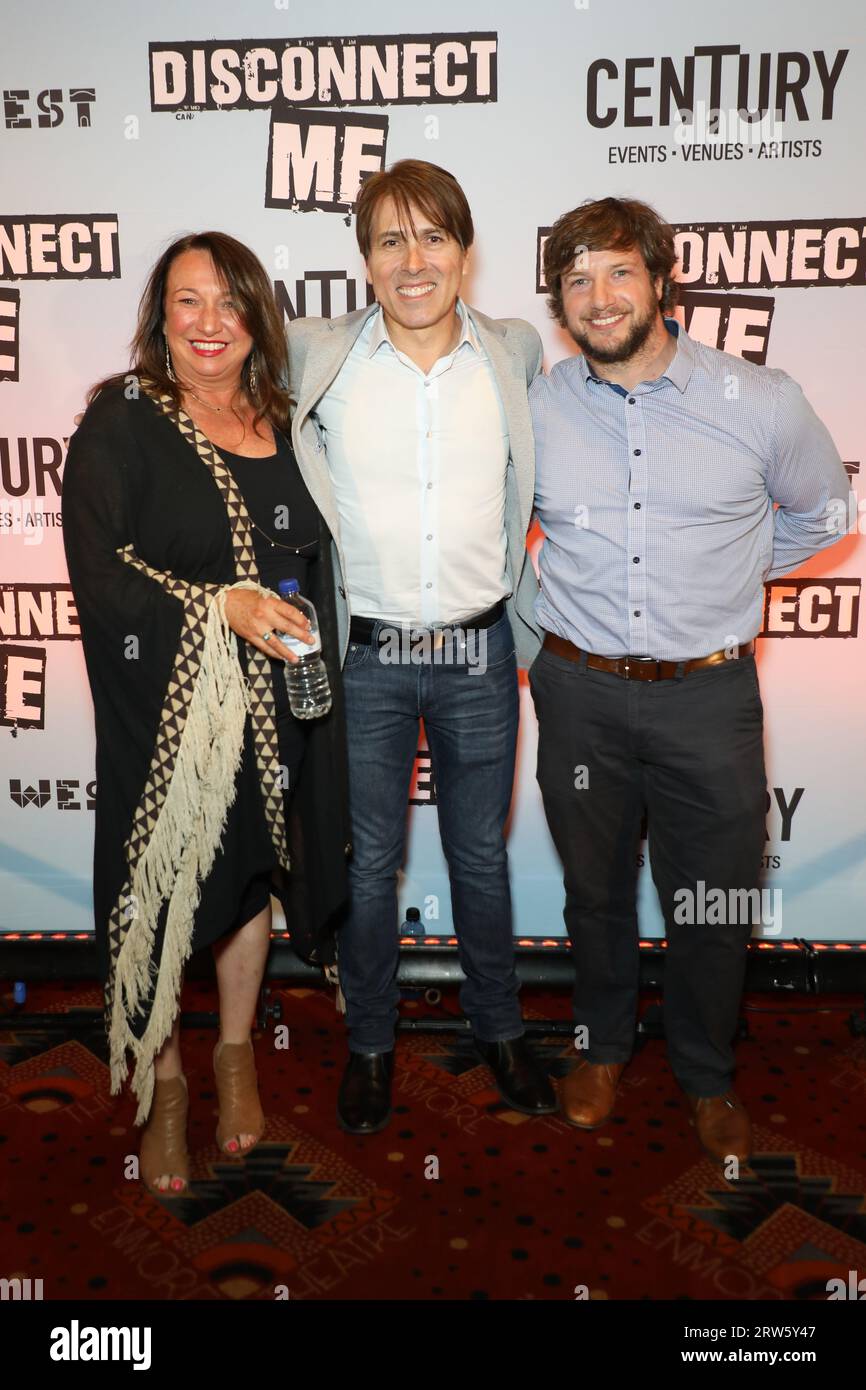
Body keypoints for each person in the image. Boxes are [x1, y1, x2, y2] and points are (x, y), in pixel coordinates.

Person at [529, 196, 851, 1165]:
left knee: (711, 898)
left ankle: (705, 1073)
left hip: (707, 695)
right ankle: (598, 1049)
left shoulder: (758, 400)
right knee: (591, 890)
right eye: (576, 279)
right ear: (559, 301)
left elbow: (824, 513)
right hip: (576, 691)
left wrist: (730, 574)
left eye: (617, 271)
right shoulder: (536, 406)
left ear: (660, 279)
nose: (598, 296)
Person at [63, 232, 350, 1195]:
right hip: (167, 715)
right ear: (159, 317)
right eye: (187, 302)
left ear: (256, 316)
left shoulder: (284, 415)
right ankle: (166, 1085)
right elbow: (100, 573)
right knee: (160, 891)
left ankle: (235, 1057)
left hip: (277, 705)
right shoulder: (123, 419)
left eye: (229, 302)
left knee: (246, 885)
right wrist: (215, 606)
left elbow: (311, 554)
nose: (209, 323)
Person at [288, 160, 557, 1133]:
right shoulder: (312, 359)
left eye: (432, 237)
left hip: (481, 652)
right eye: (390, 240)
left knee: (479, 860)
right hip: (366, 655)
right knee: (365, 867)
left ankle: (498, 1027)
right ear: (362, 258)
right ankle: (368, 1044)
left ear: (464, 250)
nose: (413, 261)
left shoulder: (513, 353)